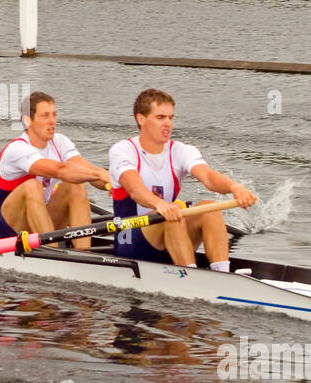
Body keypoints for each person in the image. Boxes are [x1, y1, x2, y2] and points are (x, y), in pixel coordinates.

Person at [109, 88, 257, 270]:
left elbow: (208, 177)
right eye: (160, 117)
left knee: (208, 209)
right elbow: (135, 189)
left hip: (170, 236)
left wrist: (234, 187)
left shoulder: (181, 151)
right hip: (130, 243)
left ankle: (222, 273)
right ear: (141, 119)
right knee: (172, 212)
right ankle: (189, 274)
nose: (168, 124)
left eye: (171, 118)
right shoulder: (123, 150)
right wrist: (160, 205)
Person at [0, 92, 110, 249]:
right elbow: (59, 170)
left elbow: (87, 171)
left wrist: (112, 182)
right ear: (27, 121)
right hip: (6, 229)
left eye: (54, 114)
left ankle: (84, 255)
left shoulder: (60, 142)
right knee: (32, 186)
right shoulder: (17, 148)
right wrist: (99, 173)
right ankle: (53, 254)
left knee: (76, 184)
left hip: (39, 221)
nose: (52, 121)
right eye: (45, 115)